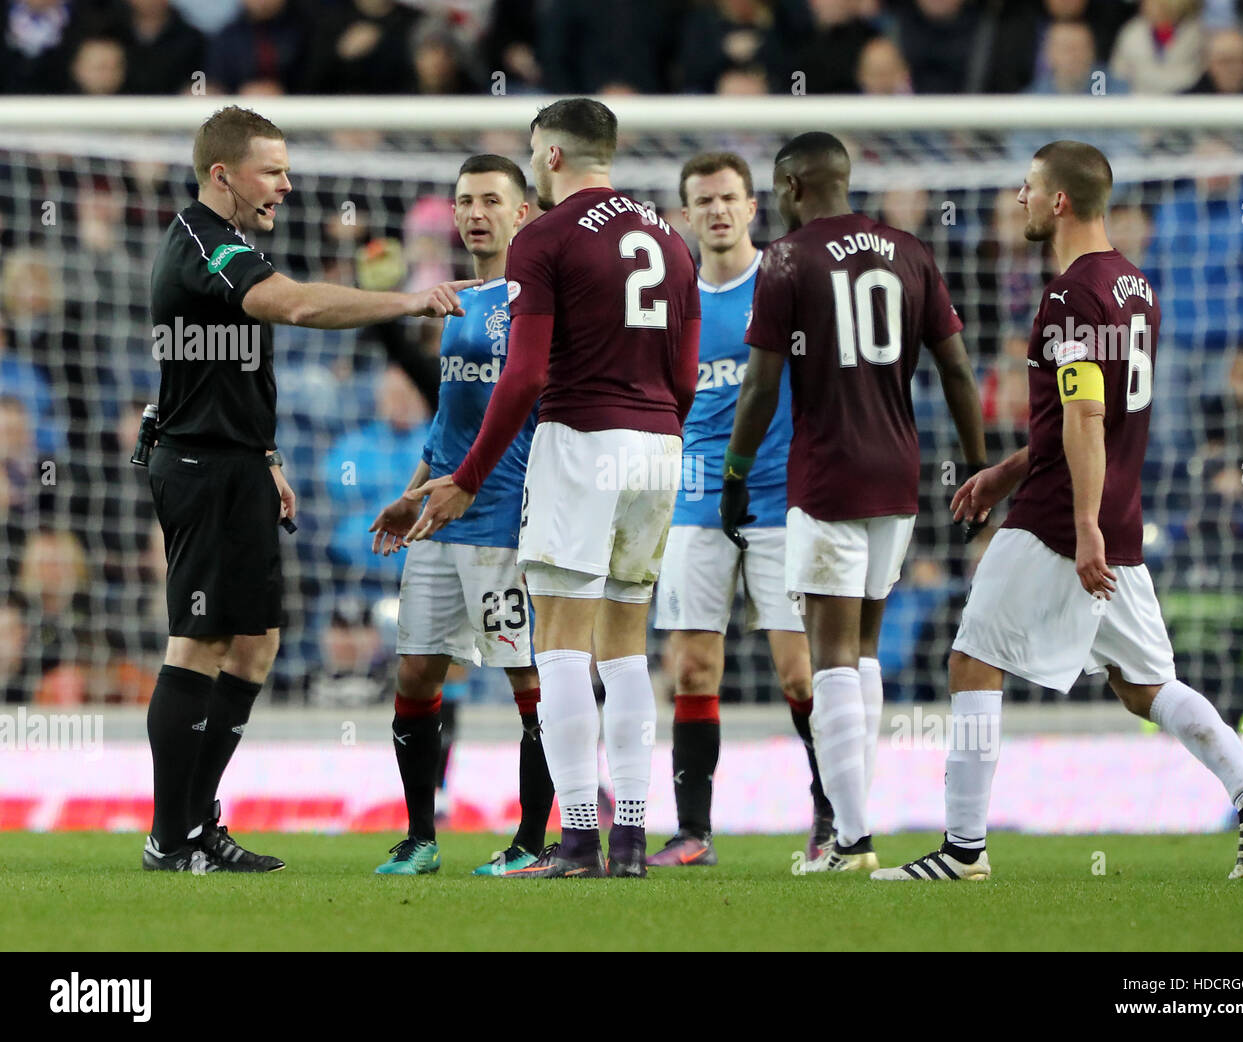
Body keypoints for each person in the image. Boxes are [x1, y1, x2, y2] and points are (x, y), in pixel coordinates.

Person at [874, 141, 1243, 883]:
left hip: (1062, 521)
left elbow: (1086, 415)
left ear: (1060, 200)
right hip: (1114, 512)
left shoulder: (1070, 295)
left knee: (973, 660)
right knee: (1143, 686)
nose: (1019, 198)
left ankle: (963, 851)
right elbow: (1087, 414)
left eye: (1030, 187)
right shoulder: (1136, 287)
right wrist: (1009, 469)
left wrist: (1085, 522)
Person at [142, 104, 474, 873]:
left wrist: (265, 453)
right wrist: (408, 299)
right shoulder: (205, 243)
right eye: (273, 170)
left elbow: (225, 369)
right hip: (199, 467)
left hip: (234, 460)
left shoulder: (223, 245)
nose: (287, 185)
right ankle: (173, 835)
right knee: (200, 643)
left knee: (255, 645)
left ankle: (196, 823)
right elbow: (293, 304)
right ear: (222, 174)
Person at [409, 98, 700, 878]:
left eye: (535, 151)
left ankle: (576, 840)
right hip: (659, 444)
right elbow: (685, 374)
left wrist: (468, 477)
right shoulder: (672, 239)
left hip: (581, 437)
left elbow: (527, 373)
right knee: (627, 649)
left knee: (563, 646)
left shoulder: (545, 236)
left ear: (553, 157)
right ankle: (632, 839)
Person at [725, 131, 985, 872]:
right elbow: (960, 373)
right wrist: (977, 470)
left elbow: (759, 386)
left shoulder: (785, 258)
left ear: (792, 185)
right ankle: (855, 830)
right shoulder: (910, 251)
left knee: (831, 657)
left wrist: (737, 473)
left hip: (828, 473)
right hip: (898, 476)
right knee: (863, 652)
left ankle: (851, 840)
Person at [367, 153, 555, 877]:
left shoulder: (539, 302)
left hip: (505, 523)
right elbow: (450, 418)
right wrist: (412, 492)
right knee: (416, 676)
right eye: (464, 201)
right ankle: (421, 837)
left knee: (527, 684)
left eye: (489, 200)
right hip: (439, 523)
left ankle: (533, 842)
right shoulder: (459, 301)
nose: (475, 212)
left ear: (522, 213)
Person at [648, 151, 829, 868]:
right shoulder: (671, 303)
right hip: (694, 499)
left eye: (730, 198)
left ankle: (833, 817)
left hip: (783, 498)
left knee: (800, 673)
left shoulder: (787, 287)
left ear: (754, 208)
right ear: (685, 216)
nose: (718, 211)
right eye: (704, 201)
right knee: (691, 667)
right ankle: (694, 833)